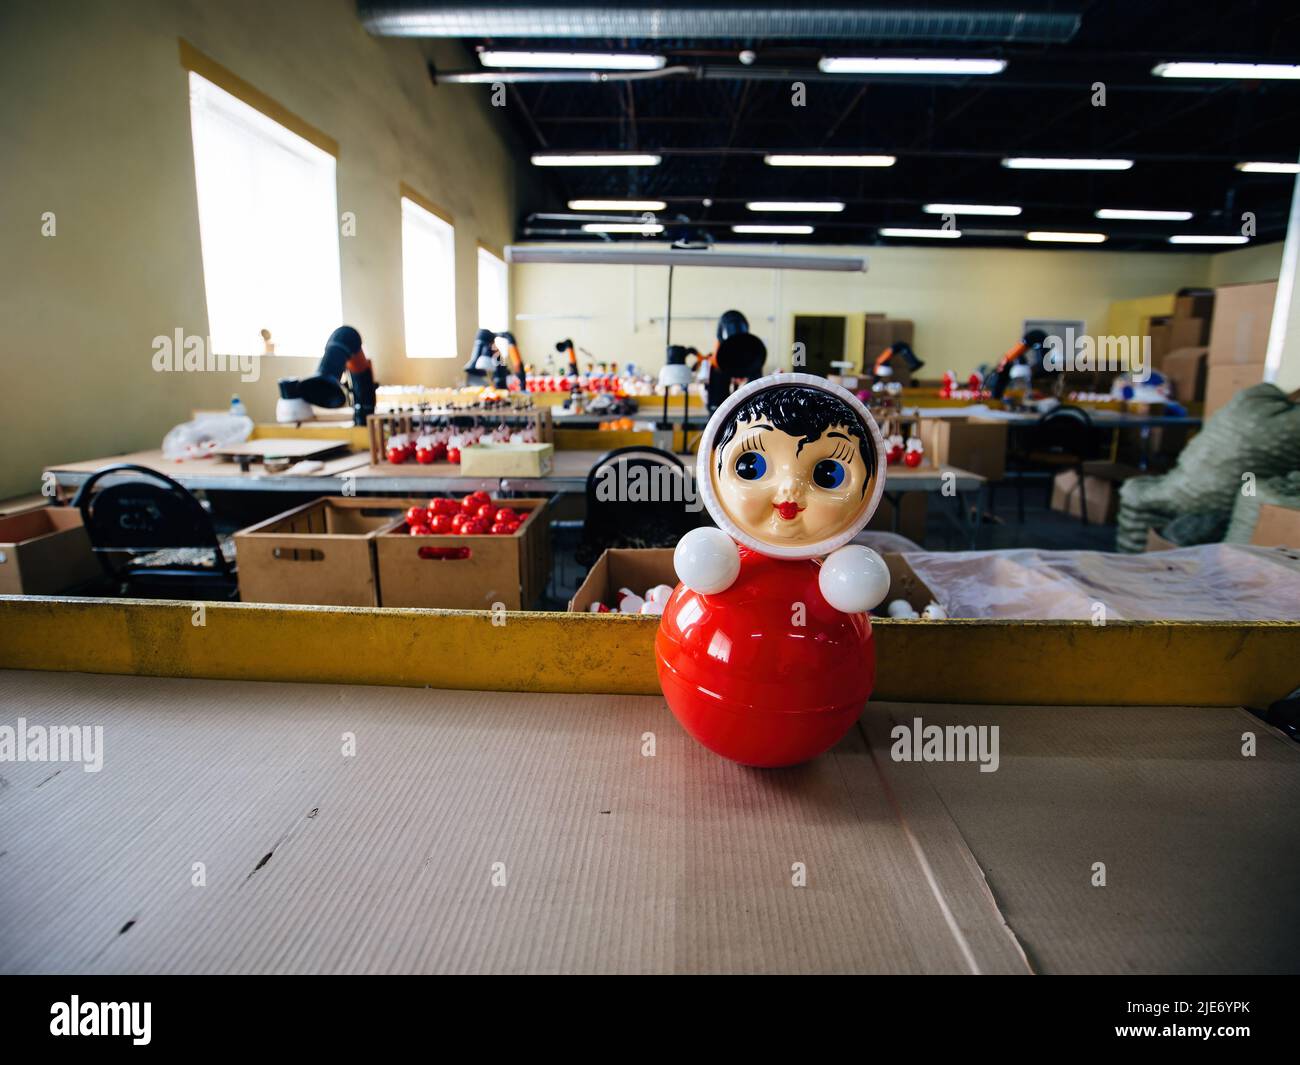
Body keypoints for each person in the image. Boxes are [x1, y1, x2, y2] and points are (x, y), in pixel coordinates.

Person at [655, 373, 892, 767]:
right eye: (751, 465)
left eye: (827, 474)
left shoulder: (839, 586)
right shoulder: (715, 571)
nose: (789, 492)